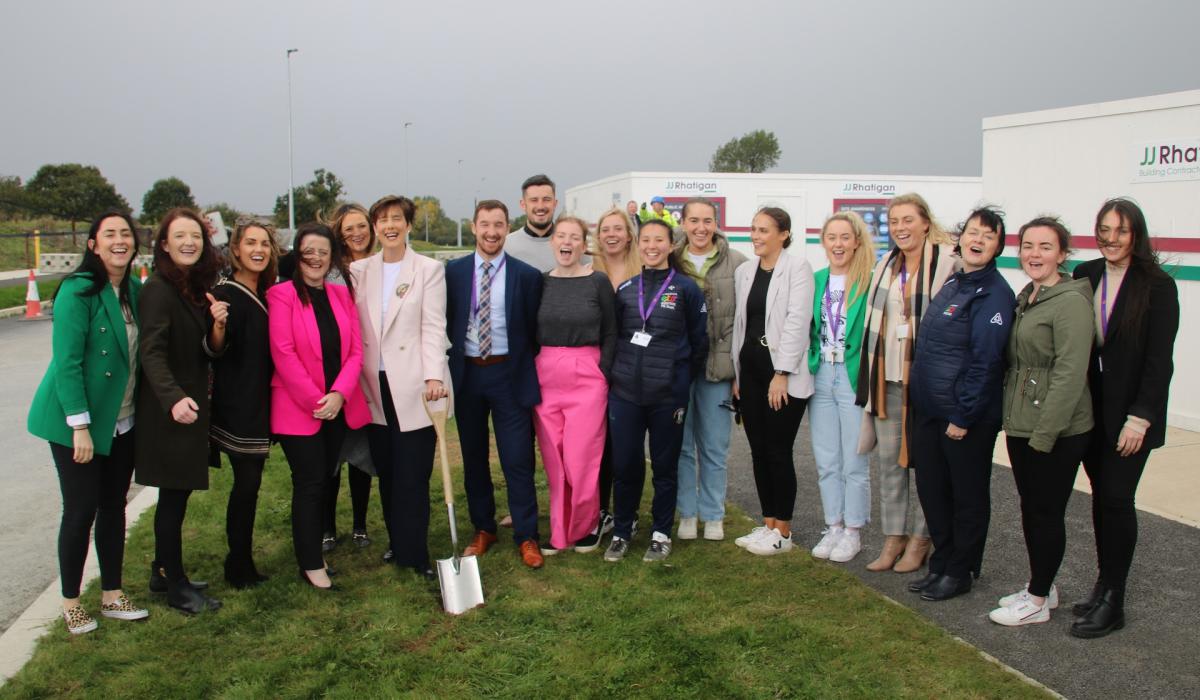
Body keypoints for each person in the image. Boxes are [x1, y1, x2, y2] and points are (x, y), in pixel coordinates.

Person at [28, 210, 149, 634]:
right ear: (94, 244)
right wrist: (79, 425)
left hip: (124, 420)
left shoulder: (134, 289)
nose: (120, 240)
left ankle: (113, 595)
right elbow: (68, 363)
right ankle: (71, 602)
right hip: (75, 424)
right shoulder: (79, 291)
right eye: (109, 234)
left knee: (113, 507)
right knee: (80, 511)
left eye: (126, 234)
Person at [1069, 198, 1179, 638]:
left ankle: (1114, 599)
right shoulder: (1085, 274)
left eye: (1121, 231)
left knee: (1117, 499)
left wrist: (1140, 418)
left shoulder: (1157, 285)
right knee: (1100, 499)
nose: (1111, 239)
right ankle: (1104, 584)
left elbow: (1159, 362)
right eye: (1104, 230)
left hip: (1130, 419)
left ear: (1137, 234)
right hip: (1090, 413)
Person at [988, 217, 1094, 627]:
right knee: (1031, 509)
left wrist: (1045, 433)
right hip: (1022, 423)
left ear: (1062, 254)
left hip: (1056, 429)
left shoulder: (1070, 302)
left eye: (1045, 246)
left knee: (1046, 511)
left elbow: (1070, 373)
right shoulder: (1028, 295)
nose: (1034, 254)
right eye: (1028, 245)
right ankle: (1042, 585)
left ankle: (1036, 601)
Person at [907, 207, 1015, 601]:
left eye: (988, 235)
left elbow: (986, 362)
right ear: (961, 237)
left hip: (963, 419)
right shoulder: (955, 282)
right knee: (934, 493)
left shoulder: (996, 294)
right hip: (931, 412)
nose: (978, 240)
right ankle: (942, 563)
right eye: (973, 232)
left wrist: (963, 415)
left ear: (999, 245)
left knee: (966, 498)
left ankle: (961, 570)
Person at [856, 193, 958, 574]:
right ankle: (893, 537)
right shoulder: (885, 264)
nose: (900, 228)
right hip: (888, 379)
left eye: (908, 220)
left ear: (926, 223)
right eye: (894, 221)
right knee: (889, 465)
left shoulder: (949, 264)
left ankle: (921, 539)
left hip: (929, 384)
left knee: (930, 467)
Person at [351, 195, 450, 580]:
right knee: (388, 470)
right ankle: (397, 540)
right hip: (372, 385)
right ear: (374, 227)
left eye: (397, 219)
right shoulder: (360, 270)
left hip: (414, 385)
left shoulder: (428, 270)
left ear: (409, 225)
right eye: (382, 220)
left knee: (413, 473)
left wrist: (434, 376)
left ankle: (415, 551)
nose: (389, 225)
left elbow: (432, 327)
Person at [268, 223, 371, 591]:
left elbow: (357, 350)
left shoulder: (342, 296)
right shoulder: (281, 296)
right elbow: (283, 352)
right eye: (308, 250)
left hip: (338, 407)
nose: (315, 257)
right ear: (297, 254)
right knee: (310, 484)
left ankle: (315, 554)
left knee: (323, 481)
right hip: (299, 411)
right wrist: (317, 400)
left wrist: (340, 394)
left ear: (331, 259)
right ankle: (310, 563)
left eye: (322, 252)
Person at [446, 200, 546, 569]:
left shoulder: (527, 275)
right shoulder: (453, 273)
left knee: (517, 458)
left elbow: (534, 331)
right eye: (485, 224)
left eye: (499, 225)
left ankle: (527, 534)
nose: (491, 231)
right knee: (473, 457)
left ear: (508, 228)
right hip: (468, 375)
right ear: (473, 227)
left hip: (509, 374)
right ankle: (483, 527)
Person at [135, 207, 224, 614]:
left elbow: (204, 350)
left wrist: (216, 324)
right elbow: (150, 353)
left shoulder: (190, 287)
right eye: (180, 236)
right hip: (170, 412)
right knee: (171, 500)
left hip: (190, 407)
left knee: (178, 495)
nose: (189, 242)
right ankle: (177, 586)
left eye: (196, 236)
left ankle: (161, 570)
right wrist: (172, 398)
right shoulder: (157, 289)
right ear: (165, 244)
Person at [604, 219, 708, 563]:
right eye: (645, 240)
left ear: (671, 245)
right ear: (639, 244)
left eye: (658, 240)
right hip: (626, 394)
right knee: (626, 465)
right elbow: (615, 338)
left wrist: (678, 380)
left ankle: (661, 532)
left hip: (667, 396)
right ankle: (623, 528)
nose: (651, 246)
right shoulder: (625, 289)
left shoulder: (686, 289)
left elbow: (699, 343)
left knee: (664, 466)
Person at [730, 207, 814, 556]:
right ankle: (767, 525)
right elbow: (742, 324)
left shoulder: (798, 269)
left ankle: (784, 530)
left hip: (781, 372)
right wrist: (737, 377)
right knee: (759, 451)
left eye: (764, 230)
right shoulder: (745, 271)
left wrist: (781, 373)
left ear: (784, 234)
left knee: (779, 450)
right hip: (749, 371)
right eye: (753, 229)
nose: (756, 236)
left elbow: (797, 321)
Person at [532, 215, 616, 554]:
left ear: (583, 245)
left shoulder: (598, 282)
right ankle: (558, 531)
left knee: (582, 456)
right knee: (554, 456)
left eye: (574, 237)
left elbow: (611, 331)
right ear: (553, 242)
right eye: (561, 236)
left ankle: (585, 524)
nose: (567, 242)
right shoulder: (540, 282)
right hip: (546, 374)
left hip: (587, 374)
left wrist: (603, 372)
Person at [206, 220, 280, 589]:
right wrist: (217, 326)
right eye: (250, 242)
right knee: (246, 485)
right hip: (239, 407)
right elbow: (217, 348)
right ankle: (238, 563)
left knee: (250, 485)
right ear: (235, 249)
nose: (258, 249)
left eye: (265, 243)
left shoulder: (267, 291)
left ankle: (241, 560)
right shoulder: (226, 294)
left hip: (260, 403)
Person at [673, 197, 746, 541]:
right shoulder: (671, 261)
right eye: (694, 221)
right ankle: (687, 513)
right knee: (682, 446)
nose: (701, 228)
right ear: (683, 223)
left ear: (716, 224)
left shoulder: (738, 263)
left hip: (719, 369)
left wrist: (740, 375)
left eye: (707, 221)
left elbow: (747, 322)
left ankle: (713, 514)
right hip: (680, 368)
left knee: (715, 446)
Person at [806, 212, 874, 563]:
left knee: (854, 458)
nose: (838, 244)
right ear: (824, 241)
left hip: (851, 375)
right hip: (821, 374)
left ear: (856, 242)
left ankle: (853, 530)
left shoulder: (869, 281)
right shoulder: (816, 280)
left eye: (845, 237)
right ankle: (833, 524)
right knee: (827, 457)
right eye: (831, 237)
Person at [324, 203, 381, 556]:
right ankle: (327, 528)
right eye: (349, 229)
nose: (357, 233)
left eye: (362, 226)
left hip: (369, 373)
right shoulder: (331, 272)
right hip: (335, 373)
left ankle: (360, 524)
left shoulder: (379, 266)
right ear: (339, 234)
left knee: (363, 455)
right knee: (331, 456)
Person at [590, 206, 643, 538]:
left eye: (617, 229)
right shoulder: (587, 269)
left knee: (628, 445)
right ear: (598, 236)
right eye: (605, 229)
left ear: (628, 234)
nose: (611, 234)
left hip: (634, 366)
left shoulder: (644, 270)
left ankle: (629, 511)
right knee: (597, 443)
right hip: (595, 366)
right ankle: (599, 508)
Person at [502, 174, 559, 272]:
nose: (540, 206)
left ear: (555, 204)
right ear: (523, 204)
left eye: (546, 200)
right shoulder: (506, 246)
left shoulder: (571, 245)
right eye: (534, 200)